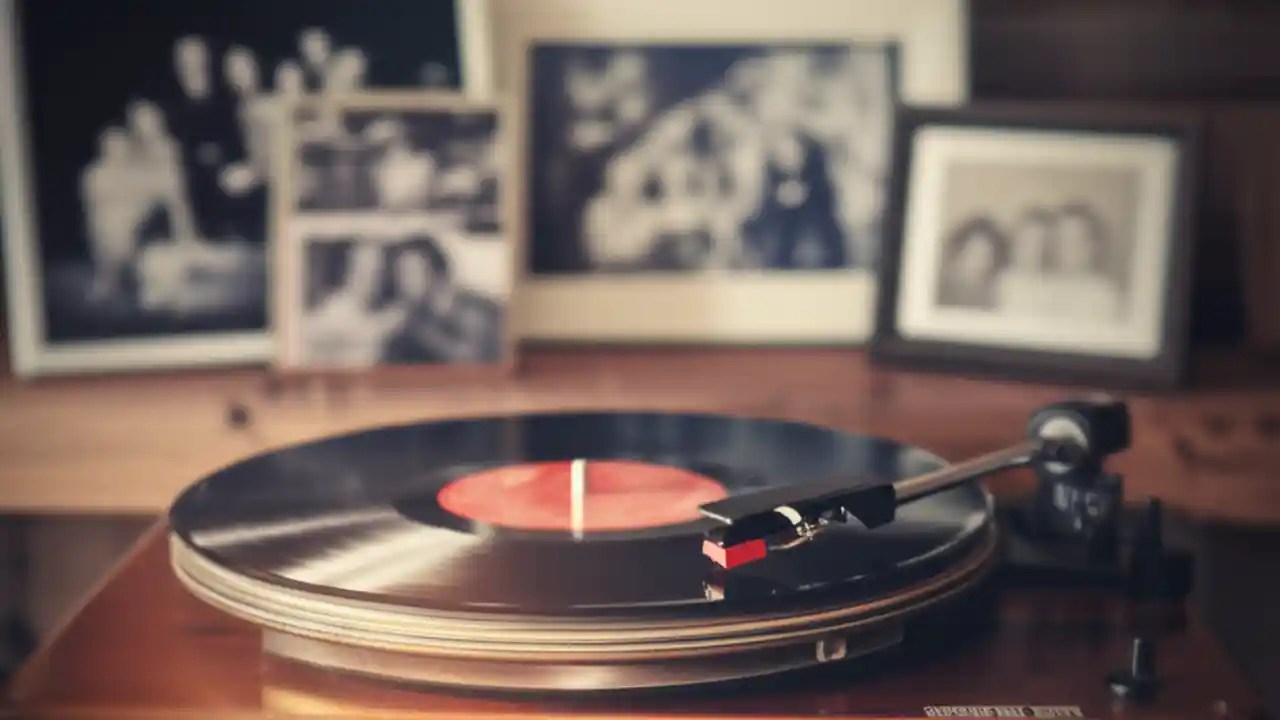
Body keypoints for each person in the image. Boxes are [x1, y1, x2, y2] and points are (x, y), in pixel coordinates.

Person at [303, 241, 406, 366]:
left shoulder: (374, 314)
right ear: (351, 270)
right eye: (366, 269)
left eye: (377, 270)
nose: (372, 277)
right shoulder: (335, 309)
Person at [81, 128, 149, 301]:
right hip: (105, 224)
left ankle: (135, 280)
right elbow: (93, 205)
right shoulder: (95, 173)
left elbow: (143, 202)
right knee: (110, 232)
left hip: (136, 226)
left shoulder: (134, 174)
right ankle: (107, 280)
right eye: (113, 146)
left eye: (122, 146)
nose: (118, 151)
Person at [1041, 203, 1123, 321]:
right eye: (1061, 240)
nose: (1066, 250)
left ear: (1093, 247)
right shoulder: (1037, 286)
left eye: (1076, 241)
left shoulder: (1105, 296)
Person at [994, 207, 1056, 314]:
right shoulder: (996, 282)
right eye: (1026, 242)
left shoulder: (1055, 288)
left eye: (1040, 243)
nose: (1033, 251)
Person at [937, 217, 1007, 310]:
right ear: (959, 253)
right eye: (973, 253)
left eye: (985, 256)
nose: (978, 262)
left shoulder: (993, 294)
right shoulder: (940, 289)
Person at [369, 119, 436, 211]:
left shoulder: (423, 162)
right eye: (380, 146)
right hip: (390, 217)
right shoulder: (380, 167)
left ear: (402, 139)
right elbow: (385, 200)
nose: (384, 150)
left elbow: (422, 196)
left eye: (388, 143)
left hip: (418, 216)